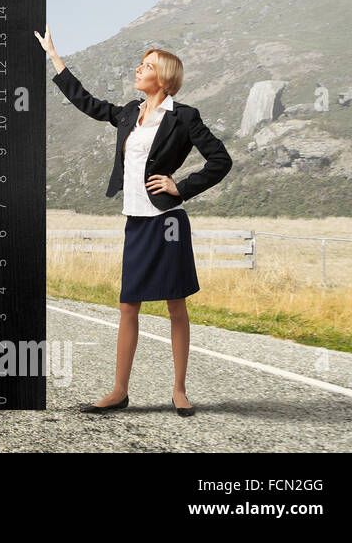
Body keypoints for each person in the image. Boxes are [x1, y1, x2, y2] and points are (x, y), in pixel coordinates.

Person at [34, 26, 232, 417]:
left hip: (168, 221)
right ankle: (119, 391)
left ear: (164, 77)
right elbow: (87, 103)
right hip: (137, 221)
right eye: (141, 65)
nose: (138, 70)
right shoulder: (128, 112)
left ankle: (179, 390)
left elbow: (221, 160)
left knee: (176, 304)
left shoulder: (185, 117)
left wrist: (182, 187)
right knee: (128, 305)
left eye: (146, 66)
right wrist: (55, 58)